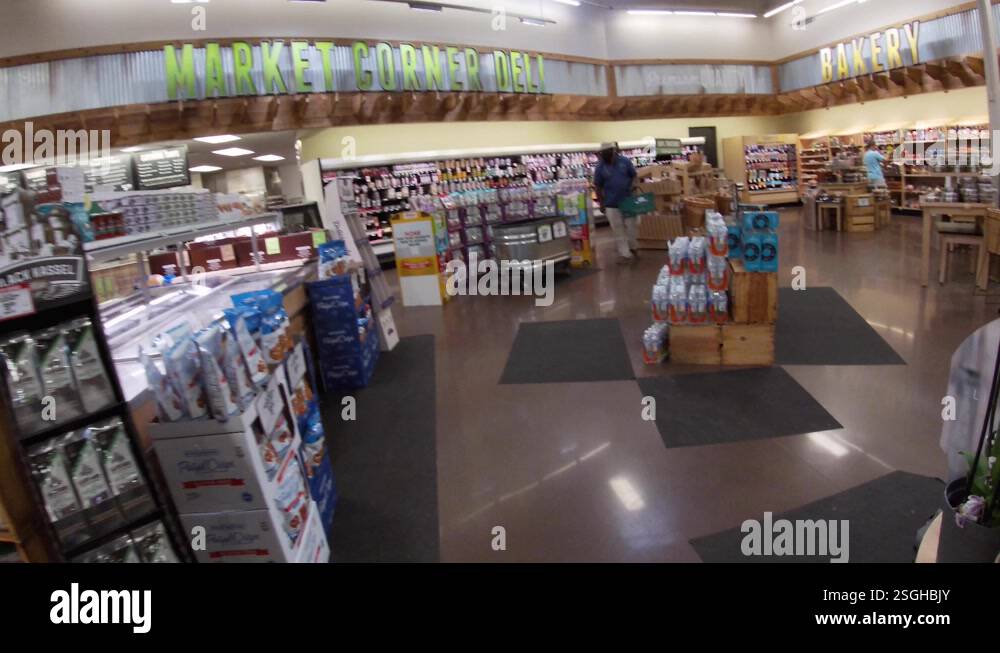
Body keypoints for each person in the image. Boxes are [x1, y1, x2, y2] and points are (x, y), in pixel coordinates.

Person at [594, 142, 639, 262]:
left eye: (609, 155)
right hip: (611, 204)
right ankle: (625, 254)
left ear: (614, 152)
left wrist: (634, 184)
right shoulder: (600, 167)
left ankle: (633, 247)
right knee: (618, 230)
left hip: (628, 201)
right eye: (604, 156)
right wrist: (601, 204)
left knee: (631, 227)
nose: (607, 158)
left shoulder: (625, 161)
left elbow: (634, 176)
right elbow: (598, 187)